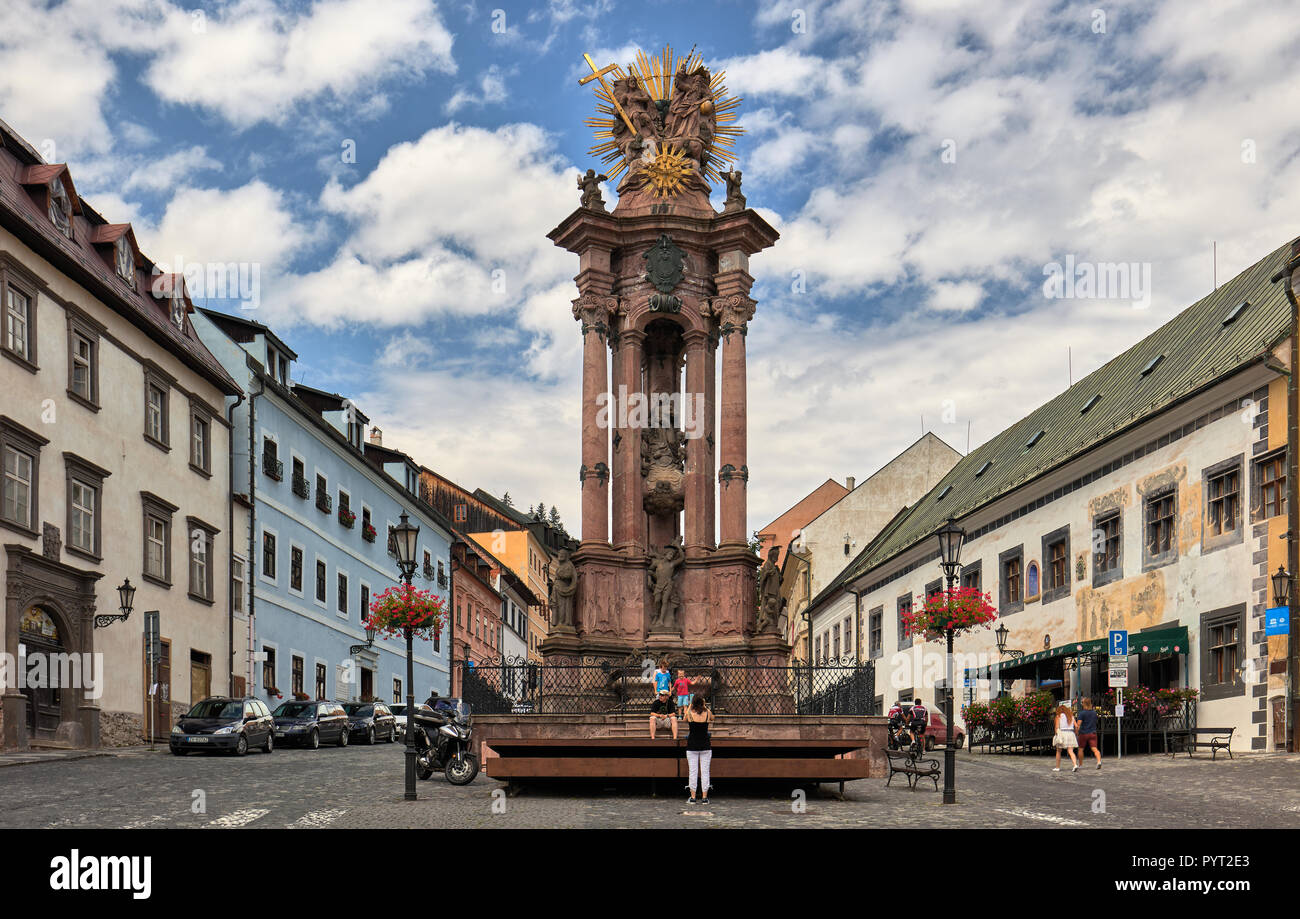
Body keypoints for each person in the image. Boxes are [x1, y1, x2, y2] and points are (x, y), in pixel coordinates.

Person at [684, 694, 714, 805]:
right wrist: (705, 706)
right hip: (705, 745)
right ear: (702, 703)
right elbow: (712, 718)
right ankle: (705, 797)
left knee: (693, 771)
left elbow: (684, 719)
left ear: (693, 703)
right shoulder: (707, 713)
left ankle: (692, 797)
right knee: (705, 771)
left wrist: (690, 706)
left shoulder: (690, 714)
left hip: (692, 745)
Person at [1052, 704, 1080, 773]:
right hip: (1071, 734)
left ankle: (1057, 767)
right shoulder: (1071, 716)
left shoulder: (1058, 716)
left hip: (1062, 733)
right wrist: (1076, 733)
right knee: (1071, 751)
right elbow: (1076, 726)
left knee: (1058, 751)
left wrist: (1056, 735)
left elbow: (1056, 727)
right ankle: (1075, 765)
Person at [1076, 697, 1102, 769]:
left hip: (1083, 733)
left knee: (1081, 749)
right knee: (1094, 749)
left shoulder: (1082, 713)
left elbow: (1078, 724)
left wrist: (1076, 732)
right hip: (1093, 733)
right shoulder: (1094, 713)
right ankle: (1099, 761)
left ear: (1084, 704)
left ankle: (1080, 765)